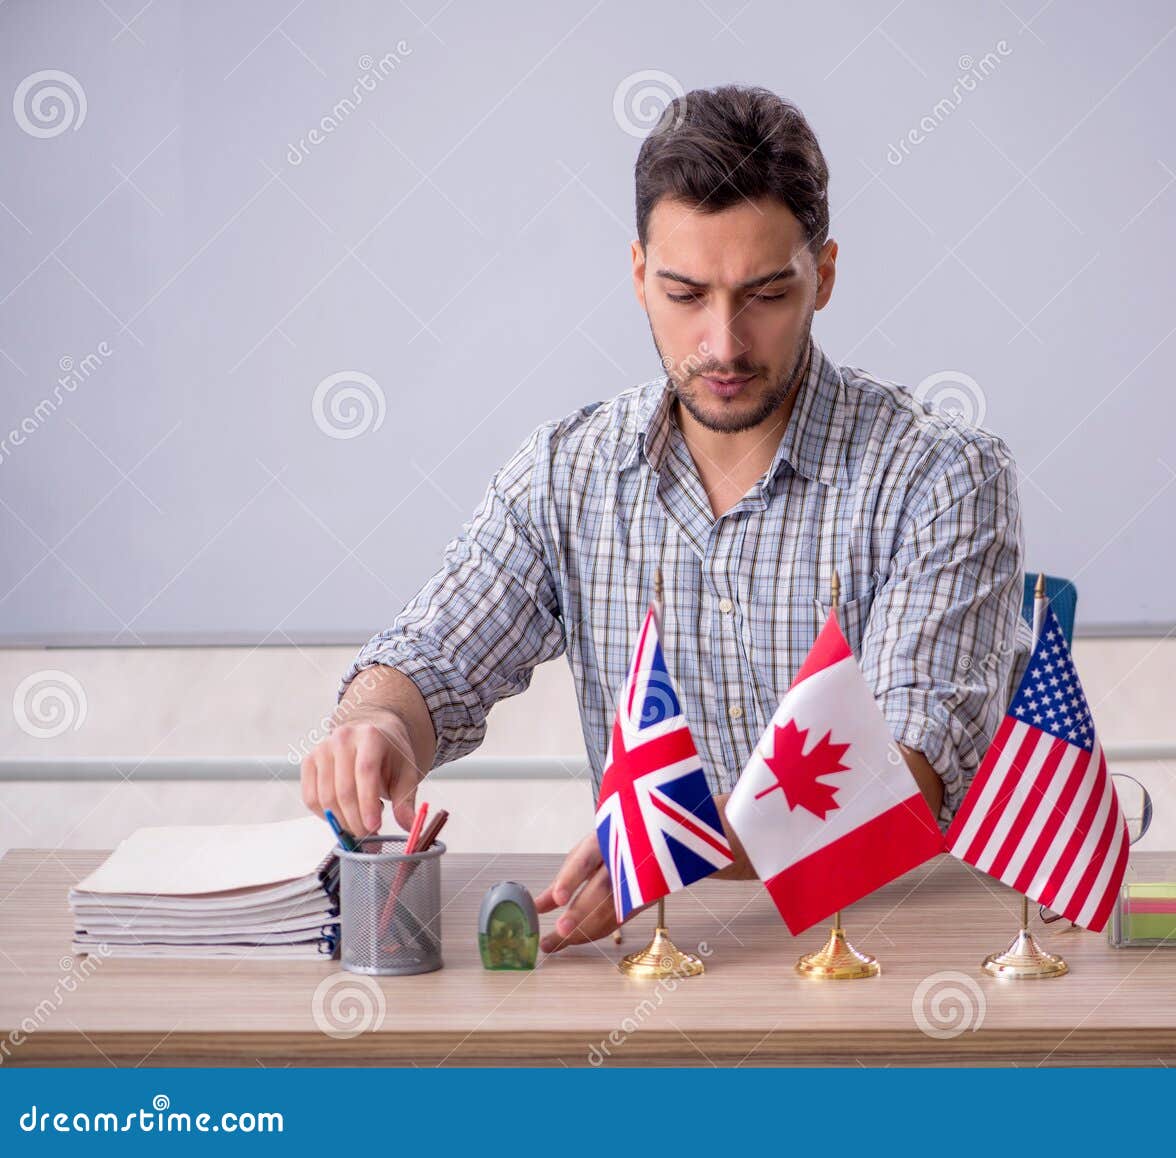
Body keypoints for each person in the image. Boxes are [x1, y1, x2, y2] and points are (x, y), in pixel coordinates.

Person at [300, 84, 1027, 954]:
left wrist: (673, 843)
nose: (724, 344)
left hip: (904, 947)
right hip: (665, 952)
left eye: (766, 295)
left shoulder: (943, 476)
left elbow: (903, 776)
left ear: (824, 277)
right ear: (640, 275)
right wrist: (381, 722)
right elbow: (431, 659)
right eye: (686, 295)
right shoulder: (566, 475)